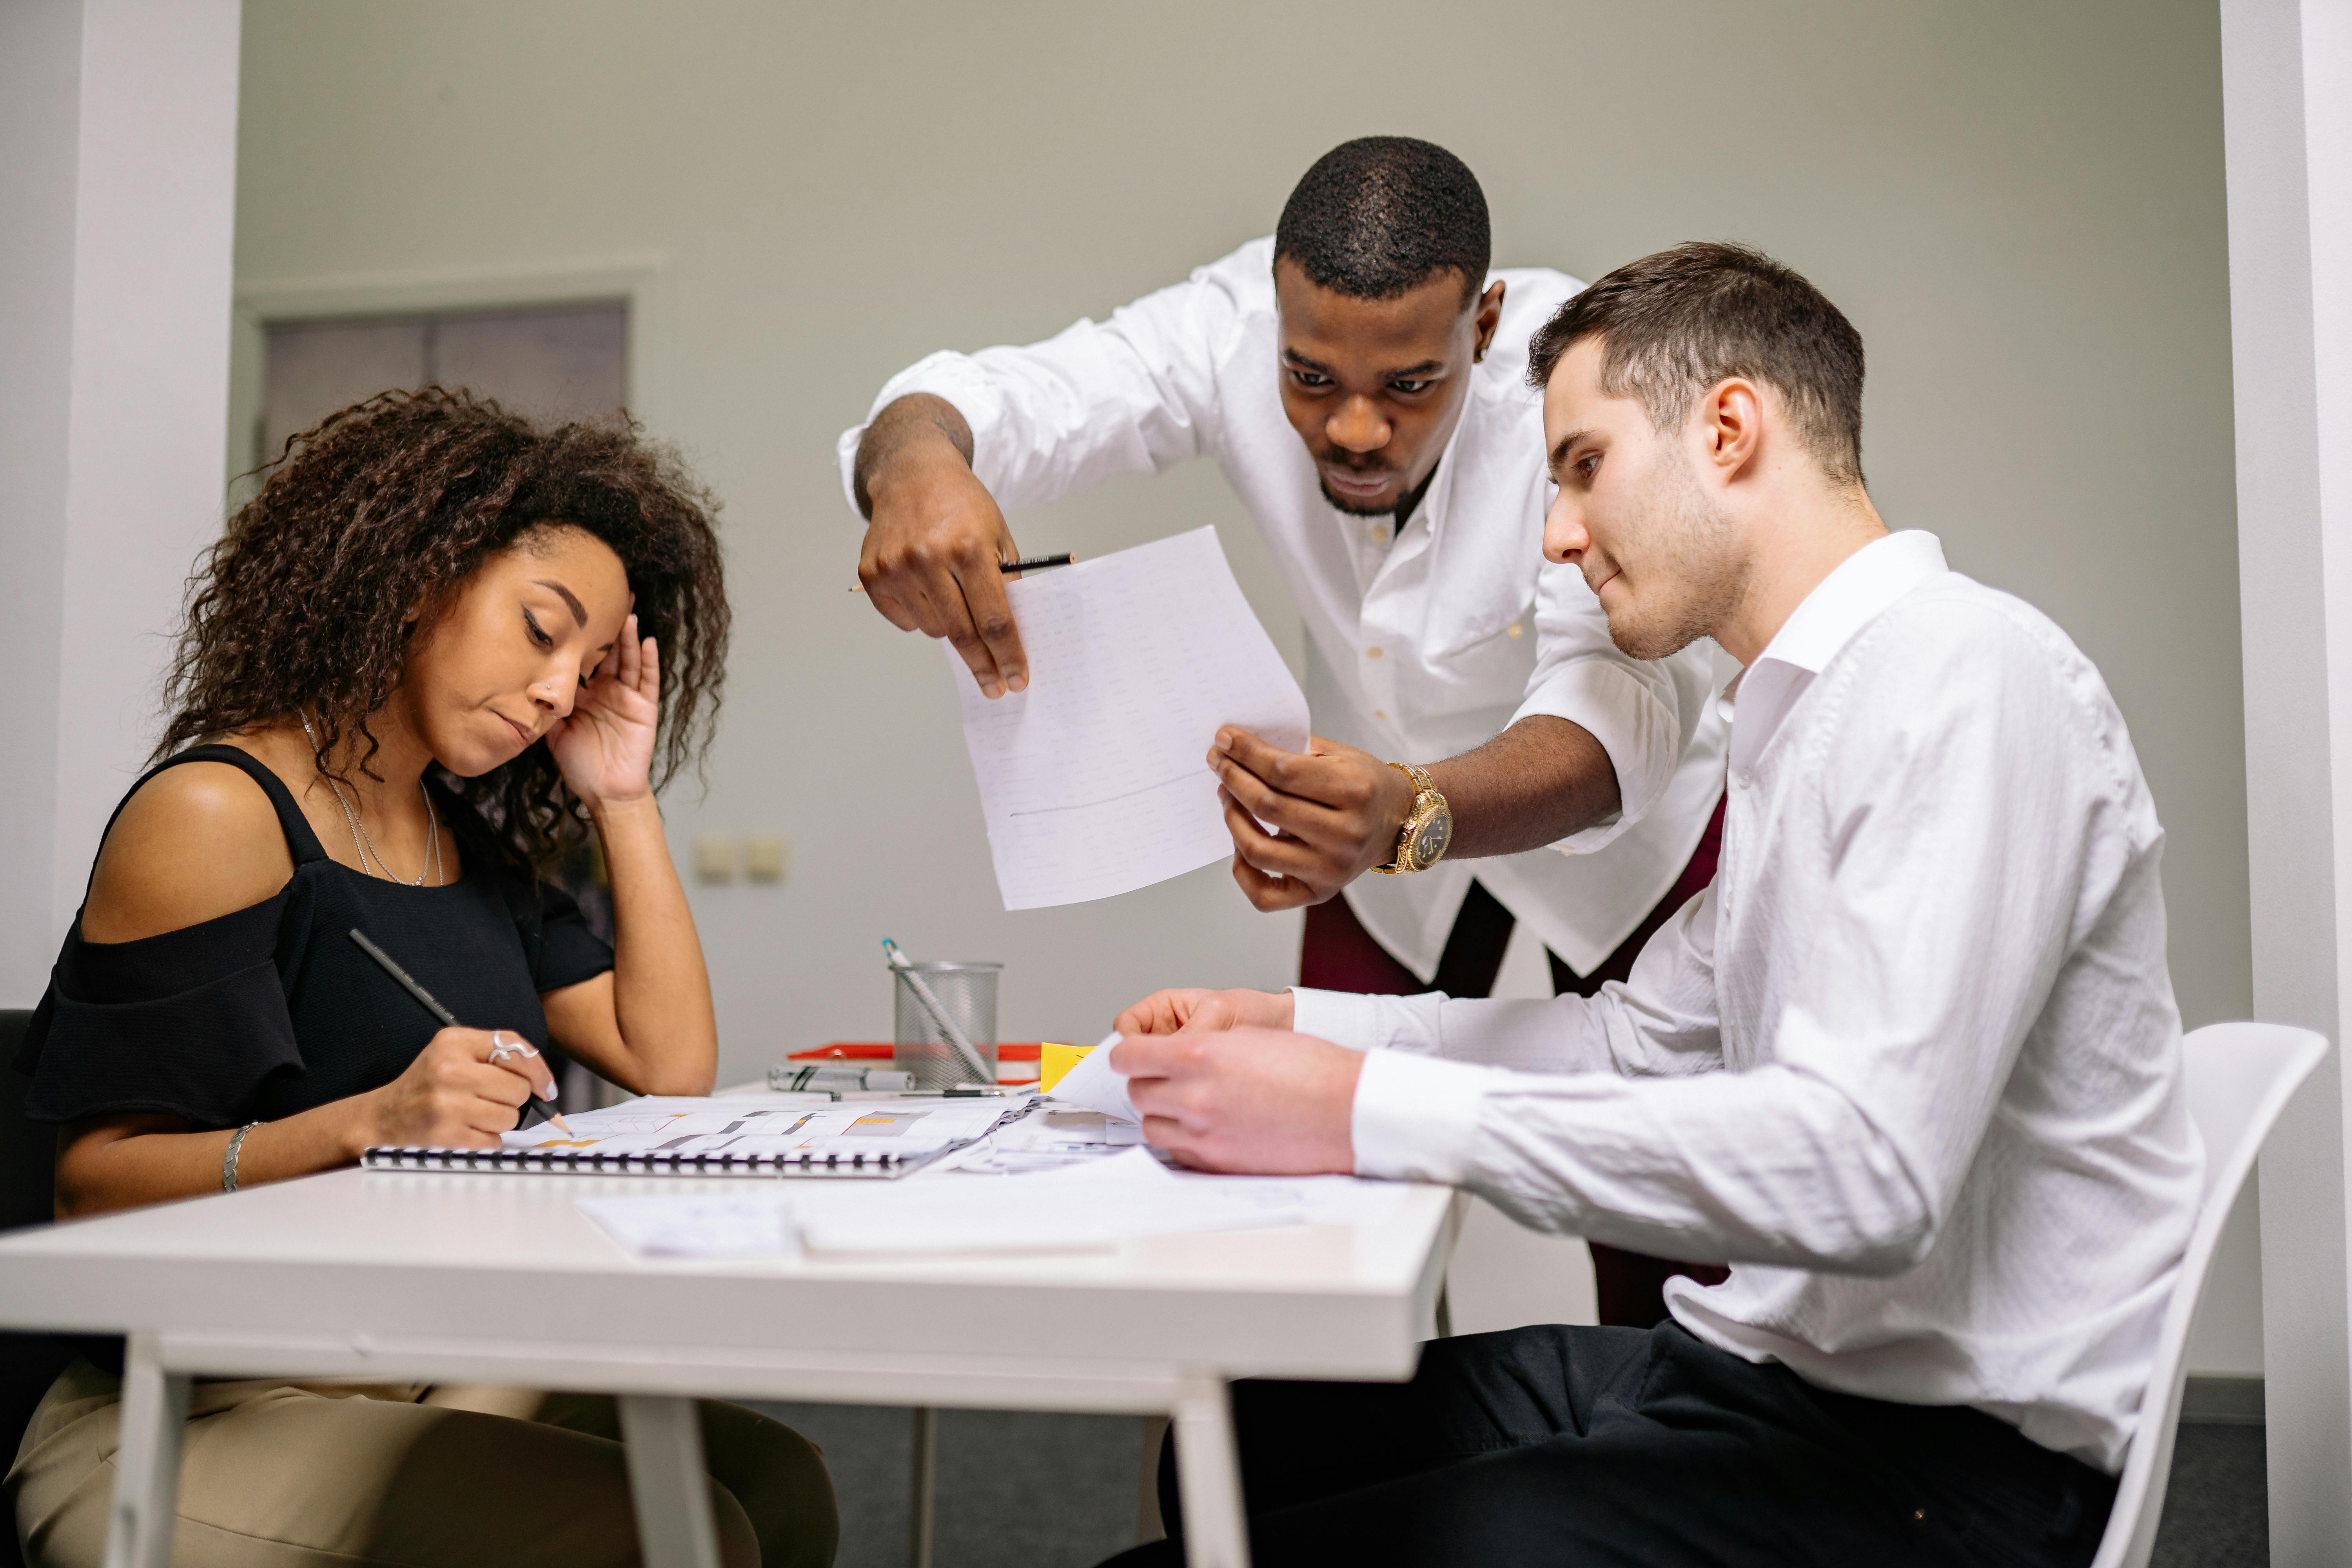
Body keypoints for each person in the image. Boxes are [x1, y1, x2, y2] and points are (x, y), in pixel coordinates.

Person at [1100, 244, 2200, 1566]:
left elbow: (1868, 1173)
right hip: (1763, 1385)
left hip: (1928, 1471)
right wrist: (1297, 1027)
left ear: (1729, 430)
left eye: (1582, 467)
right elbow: (1636, 1040)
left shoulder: (1963, 679)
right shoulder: (1806, 715)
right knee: (1250, 1439)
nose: (1556, 535)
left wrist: (1359, 1110)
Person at [844, 136, 1728, 1325]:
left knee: (1660, 1228)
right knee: (1320, 1174)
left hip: (1619, 838)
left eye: (1410, 385)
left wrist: (1410, 810)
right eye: (1311, 379)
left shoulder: (1578, 376)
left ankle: (1646, 1487)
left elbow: (1608, 707)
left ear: (1483, 326)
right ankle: (1371, 1482)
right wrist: (913, 458)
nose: (1356, 428)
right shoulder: (1224, 326)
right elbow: (1013, 399)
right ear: (1272, 322)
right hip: (1376, 836)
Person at [6, 391, 836, 1568]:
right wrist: (373, 1124)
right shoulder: (218, 814)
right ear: (417, 573)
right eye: (540, 630)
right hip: (196, 1409)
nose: (559, 689)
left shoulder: (466, 843)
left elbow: (670, 1065)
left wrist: (623, 797)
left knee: (779, 1484)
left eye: (589, 666)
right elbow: (93, 1191)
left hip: (418, 1362)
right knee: (668, 1530)